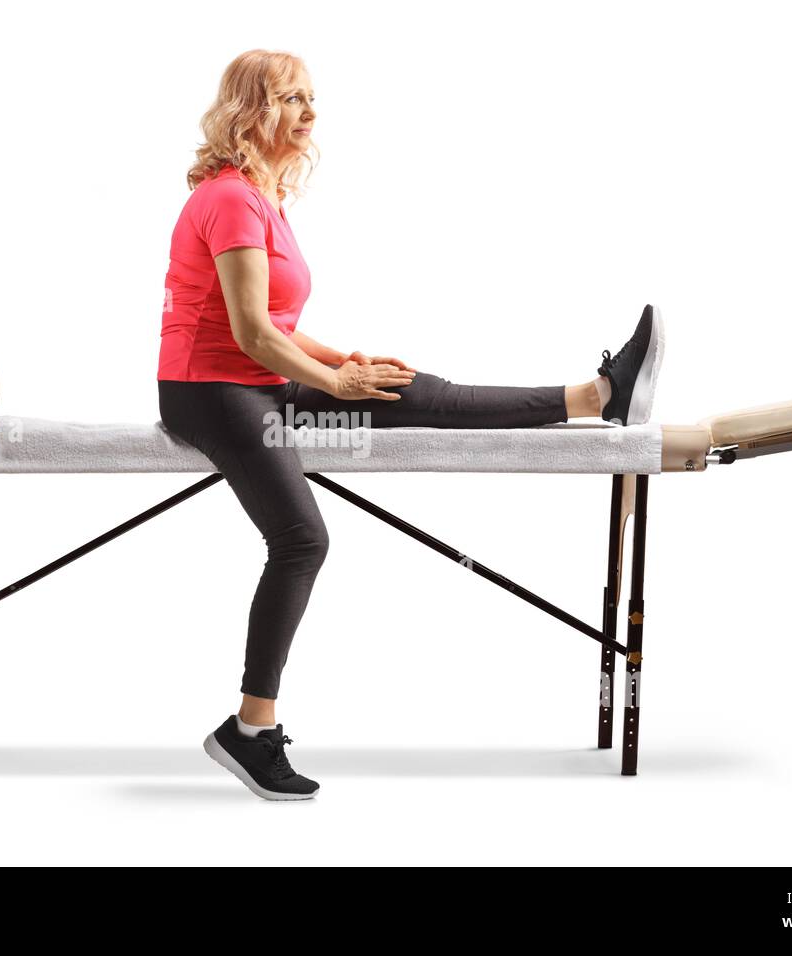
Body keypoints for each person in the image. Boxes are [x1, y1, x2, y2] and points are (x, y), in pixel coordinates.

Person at [157, 50, 664, 801]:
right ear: (254, 111)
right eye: (294, 98)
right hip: (211, 392)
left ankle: (597, 396)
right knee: (302, 539)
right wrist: (333, 380)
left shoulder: (262, 199)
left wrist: (347, 361)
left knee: (415, 391)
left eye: (311, 97)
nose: (311, 113)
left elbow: (278, 326)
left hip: (258, 380)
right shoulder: (231, 199)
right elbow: (251, 333)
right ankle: (250, 729)